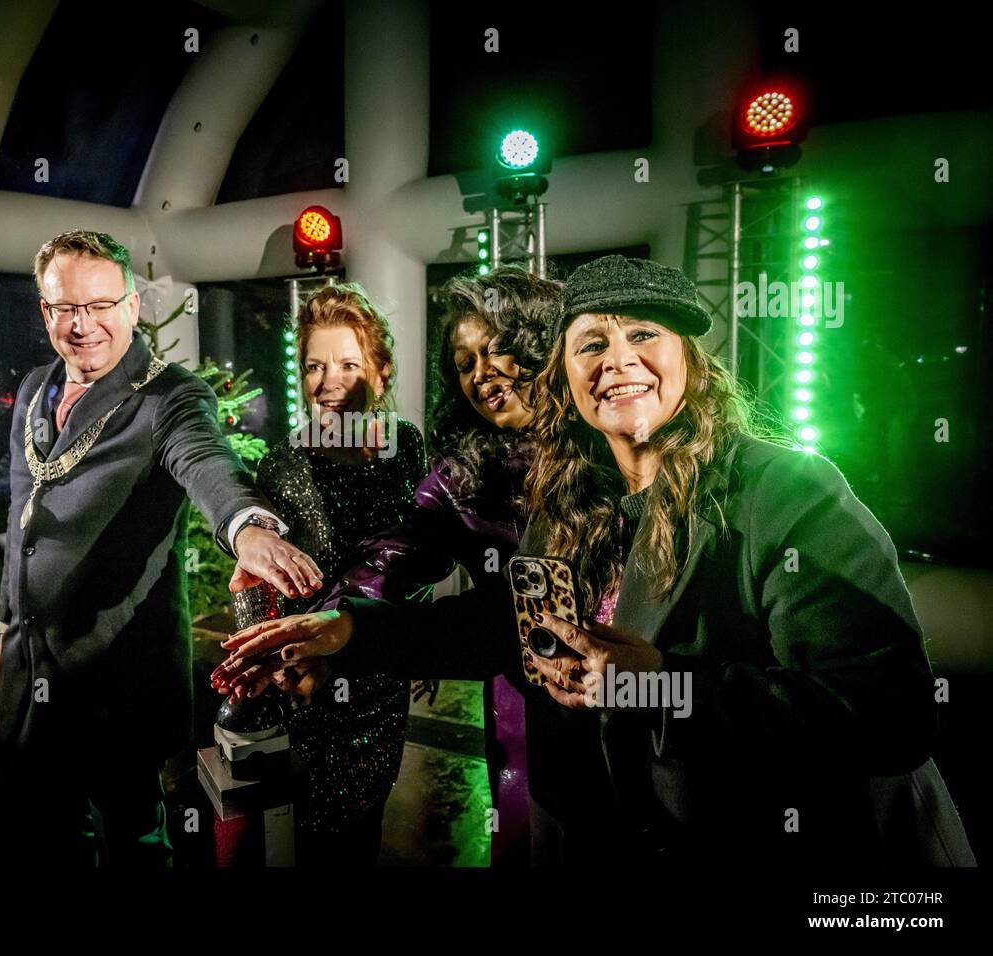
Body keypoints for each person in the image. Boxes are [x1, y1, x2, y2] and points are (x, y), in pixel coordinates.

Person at [218, 255, 975, 866]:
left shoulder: (785, 489)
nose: (618, 361)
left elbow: (891, 715)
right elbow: (504, 631)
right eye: (591, 344)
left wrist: (664, 686)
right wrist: (349, 634)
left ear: (691, 361)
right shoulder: (567, 506)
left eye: (643, 335)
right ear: (565, 379)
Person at [0, 230, 322, 866]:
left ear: (131, 306)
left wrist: (245, 525)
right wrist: (7, 630)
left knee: (134, 845)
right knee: (47, 840)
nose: (84, 325)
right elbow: (22, 521)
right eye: (67, 308)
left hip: (118, 681)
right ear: (45, 311)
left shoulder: (168, 395)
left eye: (100, 305)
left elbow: (205, 459)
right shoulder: (34, 389)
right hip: (27, 673)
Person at [255, 265, 561, 866]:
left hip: (636, 698)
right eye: (465, 362)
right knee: (526, 826)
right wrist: (334, 630)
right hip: (492, 687)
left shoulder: (612, 447)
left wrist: (403, 637)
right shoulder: (460, 473)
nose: (483, 374)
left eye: (498, 350)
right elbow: (400, 553)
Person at [222, 283, 426, 866]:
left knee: (364, 827)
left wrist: (414, 644)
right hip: (306, 685)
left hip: (381, 678)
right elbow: (254, 582)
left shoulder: (404, 446)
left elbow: (418, 551)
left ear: (380, 373)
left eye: (348, 363)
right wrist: (262, 664)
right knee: (303, 834)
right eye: (314, 365)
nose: (328, 380)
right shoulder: (284, 463)